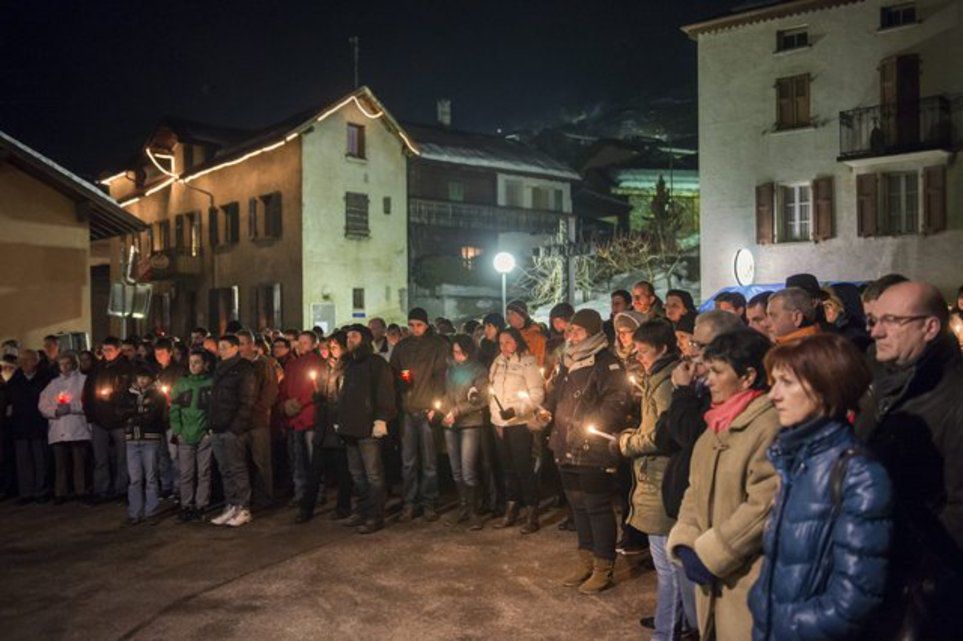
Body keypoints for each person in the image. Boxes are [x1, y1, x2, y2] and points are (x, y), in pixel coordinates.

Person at [749, 333, 892, 641]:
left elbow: (855, 598)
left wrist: (789, 623)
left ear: (826, 387)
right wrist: (761, 602)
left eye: (786, 382)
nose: (773, 395)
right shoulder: (797, 458)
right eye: (773, 382)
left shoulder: (858, 474)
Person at [856, 281, 963, 640]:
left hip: (917, 588)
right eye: (874, 319)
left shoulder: (955, 398)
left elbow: (958, 508)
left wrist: (917, 572)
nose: (875, 330)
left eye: (891, 320)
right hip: (875, 572)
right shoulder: (881, 382)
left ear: (930, 327)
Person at [667, 329, 780, 641]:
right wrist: (688, 541)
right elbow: (695, 488)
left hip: (746, 578)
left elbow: (763, 505)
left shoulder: (768, 426)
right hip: (711, 577)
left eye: (717, 371)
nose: (708, 380)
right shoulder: (714, 427)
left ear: (747, 377)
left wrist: (713, 553)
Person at [652, 310, 744, 634]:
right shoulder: (697, 384)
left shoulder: (726, 396)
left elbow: (690, 433)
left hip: (714, 520)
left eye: (698, 344)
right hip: (685, 504)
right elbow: (664, 436)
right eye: (692, 341)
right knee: (693, 611)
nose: (691, 351)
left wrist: (682, 393)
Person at [543, 309, 630, 594]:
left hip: (591, 448)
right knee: (578, 507)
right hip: (565, 445)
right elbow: (557, 396)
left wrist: (588, 426)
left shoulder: (607, 362)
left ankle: (604, 567)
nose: (570, 336)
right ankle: (586, 561)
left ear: (592, 332)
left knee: (597, 507)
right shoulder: (568, 362)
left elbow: (616, 401)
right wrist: (546, 411)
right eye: (570, 331)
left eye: (577, 331)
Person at [618, 320, 683, 640]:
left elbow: (661, 435)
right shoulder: (657, 378)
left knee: (668, 567)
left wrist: (628, 442)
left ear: (663, 349)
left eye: (644, 352)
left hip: (661, 477)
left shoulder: (667, 382)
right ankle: (669, 618)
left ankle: (667, 630)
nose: (639, 357)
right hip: (656, 475)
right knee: (668, 566)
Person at [329, 326, 396, 533]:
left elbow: (385, 392)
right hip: (349, 426)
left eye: (354, 336)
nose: (349, 340)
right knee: (357, 474)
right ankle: (362, 510)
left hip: (368, 427)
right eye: (348, 336)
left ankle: (375, 516)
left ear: (365, 339)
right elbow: (341, 393)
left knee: (373, 474)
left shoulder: (376, 364)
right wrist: (338, 418)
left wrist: (381, 419)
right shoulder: (347, 363)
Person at [390, 307, 450, 522]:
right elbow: (393, 372)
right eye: (412, 325)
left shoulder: (438, 346)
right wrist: (401, 380)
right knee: (408, 461)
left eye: (419, 325)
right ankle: (409, 502)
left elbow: (442, 377)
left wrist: (437, 406)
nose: (415, 329)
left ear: (426, 325)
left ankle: (430, 502)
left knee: (429, 461)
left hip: (427, 409)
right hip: (407, 409)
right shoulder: (402, 347)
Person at [489, 326, 544, 534]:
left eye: (508, 342)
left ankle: (532, 512)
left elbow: (537, 394)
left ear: (517, 342)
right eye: (501, 343)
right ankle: (511, 508)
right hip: (501, 424)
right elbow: (492, 392)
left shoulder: (527, 362)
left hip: (520, 424)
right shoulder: (497, 362)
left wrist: (516, 410)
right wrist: (496, 419)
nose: (504, 347)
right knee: (507, 468)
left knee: (523, 468)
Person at [297, 332, 354, 524]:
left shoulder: (349, 367)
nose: (332, 350)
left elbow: (345, 395)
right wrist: (318, 394)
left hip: (338, 425)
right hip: (323, 425)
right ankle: (306, 508)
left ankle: (343, 506)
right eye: (330, 347)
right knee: (315, 470)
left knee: (342, 470)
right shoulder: (325, 367)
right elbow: (321, 390)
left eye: (336, 346)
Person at [436, 334, 489, 530]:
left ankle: (474, 511)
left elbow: (482, 399)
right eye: (455, 352)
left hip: (470, 423)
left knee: (468, 471)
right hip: (451, 423)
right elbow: (447, 395)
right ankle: (463, 507)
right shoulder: (450, 370)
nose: (457, 356)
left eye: (461, 352)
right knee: (456, 471)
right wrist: (442, 411)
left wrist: (457, 411)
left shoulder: (478, 369)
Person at [209, 335, 256, 528]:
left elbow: (247, 401)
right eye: (220, 347)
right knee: (225, 469)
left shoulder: (244, 369)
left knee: (237, 468)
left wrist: (236, 427)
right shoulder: (219, 369)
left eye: (225, 347)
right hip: (218, 426)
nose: (221, 350)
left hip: (232, 428)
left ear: (236, 348)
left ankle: (243, 507)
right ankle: (231, 505)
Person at [83, 336, 133, 502]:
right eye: (104, 350)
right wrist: (91, 415)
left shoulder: (126, 368)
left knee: (122, 458)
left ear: (118, 350)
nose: (106, 353)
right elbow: (88, 393)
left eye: (110, 350)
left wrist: (116, 403)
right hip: (99, 420)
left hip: (119, 420)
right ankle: (101, 489)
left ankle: (121, 489)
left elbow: (129, 394)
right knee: (100, 458)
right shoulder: (97, 369)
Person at [38, 352, 90, 504]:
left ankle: (81, 490)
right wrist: (54, 411)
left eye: (68, 363)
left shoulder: (83, 381)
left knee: (79, 462)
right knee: (60, 464)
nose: (65, 367)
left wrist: (72, 407)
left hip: (78, 427)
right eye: (62, 364)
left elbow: (88, 402)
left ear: (74, 364)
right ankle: (61, 492)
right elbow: (42, 404)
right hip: (59, 428)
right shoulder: (53, 384)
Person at [279, 331, 323, 505]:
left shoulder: (317, 364)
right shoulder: (292, 366)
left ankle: (316, 492)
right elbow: (284, 388)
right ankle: (300, 492)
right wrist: (284, 404)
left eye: (305, 342)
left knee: (313, 458)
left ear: (313, 345)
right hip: (294, 419)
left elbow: (316, 389)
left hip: (309, 417)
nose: (301, 345)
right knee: (298, 459)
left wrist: (298, 403)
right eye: (300, 342)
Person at [170, 349, 213, 522]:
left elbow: (214, 409)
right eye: (191, 362)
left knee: (204, 472)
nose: (193, 365)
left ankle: (201, 505)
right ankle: (186, 505)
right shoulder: (181, 384)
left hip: (204, 434)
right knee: (186, 473)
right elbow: (174, 409)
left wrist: (209, 430)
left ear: (205, 364)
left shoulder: (211, 383)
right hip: (185, 435)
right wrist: (178, 430)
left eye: (197, 362)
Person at [120, 365, 166, 525]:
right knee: (134, 478)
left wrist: (134, 415)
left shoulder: (156, 395)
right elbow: (121, 413)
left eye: (145, 377)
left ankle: (151, 511)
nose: (142, 380)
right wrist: (140, 412)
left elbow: (154, 415)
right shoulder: (127, 394)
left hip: (149, 438)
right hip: (132, 439)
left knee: (151, 476)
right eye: (140, 377)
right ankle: (135, 512)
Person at [238, 330, 279, 508]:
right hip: (240, 421)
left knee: (261, 460)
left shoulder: (264, 365)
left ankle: (264, 498)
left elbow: (270, 391)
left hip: (258, 420)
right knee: (242, 461)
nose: (239, 348)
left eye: (241, 343)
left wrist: (259, 409)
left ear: (251, 344)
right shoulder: (237, 365)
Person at [8, 349, 54, 503]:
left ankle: (41, 491)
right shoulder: (15, 380)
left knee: (40, 460)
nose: (26, 364)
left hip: (38, 424)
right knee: (24, 462)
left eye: (30, 360)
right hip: (20, 426)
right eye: (23, 360)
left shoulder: (46, 378)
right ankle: (26, 492)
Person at [152, 338, 184, 501]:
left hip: (171, 418)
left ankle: (178, 488)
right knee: (161, 455)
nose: (159, 356)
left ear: (170, 353)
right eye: (156, 353)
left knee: (174, 455)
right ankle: (166, 486)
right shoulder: (156, 372)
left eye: (162, 353)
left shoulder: (177, 371)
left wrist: (171, 398)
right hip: (158, 418)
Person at [505, 300, 547, 367]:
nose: (508, 317)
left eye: (512, 313)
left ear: (522, 316)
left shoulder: (536, 337)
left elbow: (538, 363)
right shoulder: (507, 335)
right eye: (507, 313)